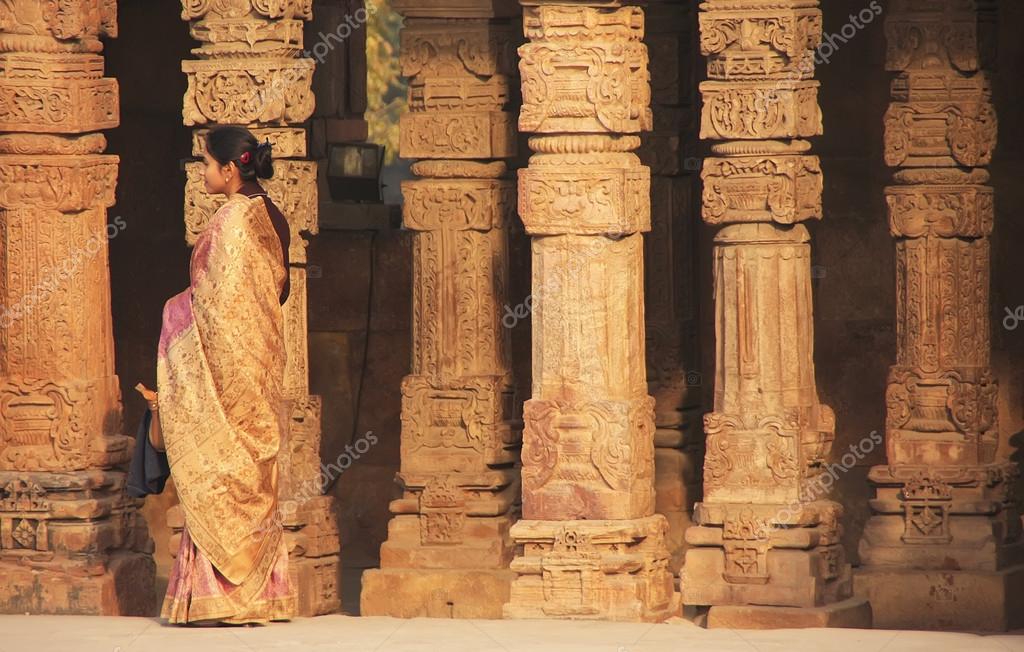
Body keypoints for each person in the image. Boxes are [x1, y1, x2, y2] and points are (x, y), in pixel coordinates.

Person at [135, 125, 295, 625]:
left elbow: (213, 303)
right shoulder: (274, 216)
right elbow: (278, 294)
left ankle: (216, 598)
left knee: (220, 464)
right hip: (260, 365)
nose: (200, 172)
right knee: (249, 468)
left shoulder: (230, 222)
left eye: (205, 163)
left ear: (230, 170)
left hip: (230, 370)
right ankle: (260, 598)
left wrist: (170, 313)